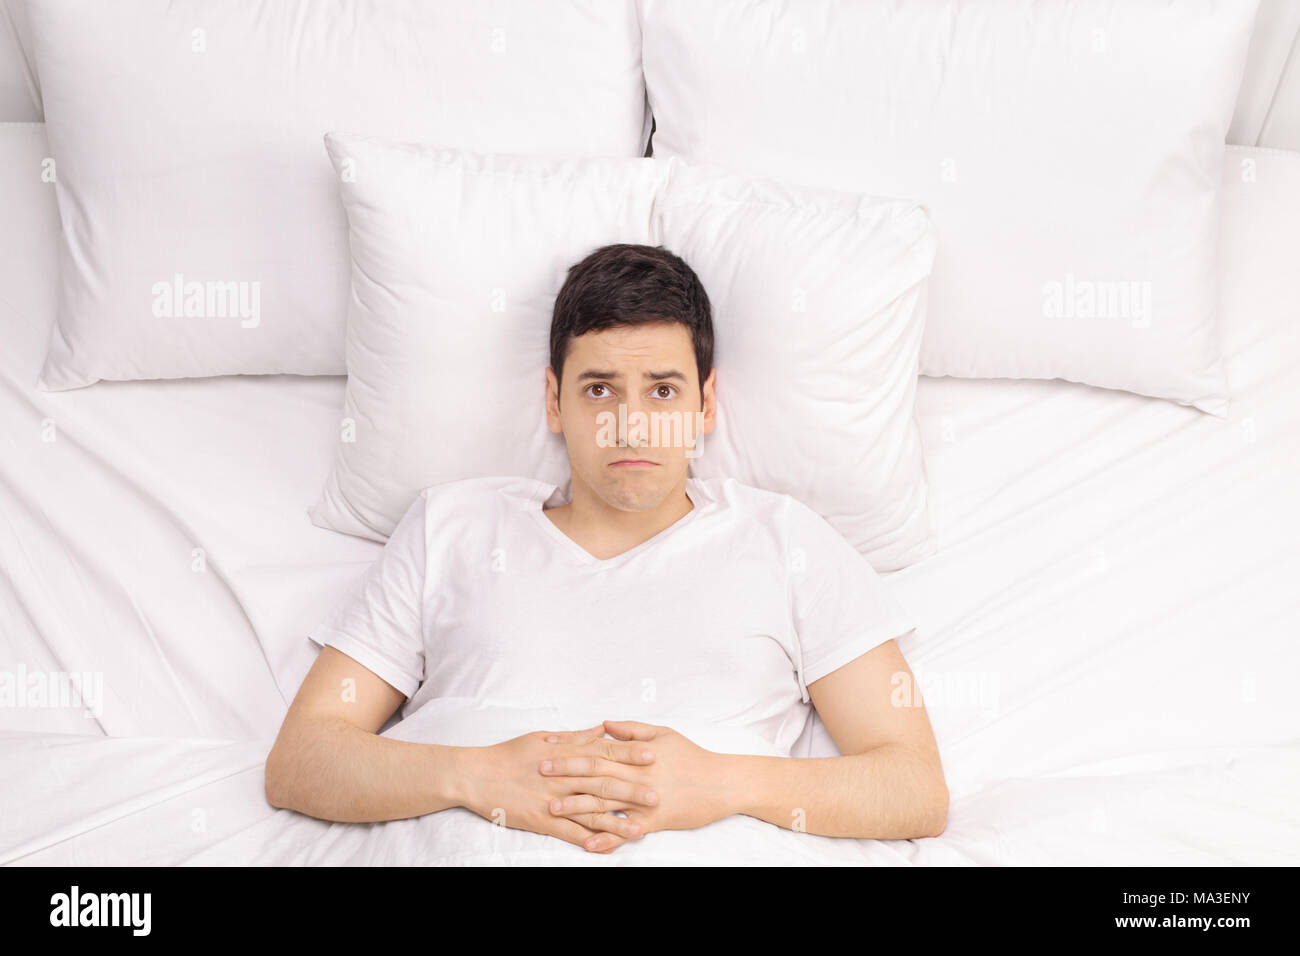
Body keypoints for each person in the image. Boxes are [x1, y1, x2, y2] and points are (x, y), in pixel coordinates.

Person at [264, 243, 947, 856]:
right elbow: (301, 760)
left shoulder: (784, 542)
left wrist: (724, 781)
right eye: (599, 390)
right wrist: (476, 773)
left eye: (662, 390)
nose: (630, 424)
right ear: (554, 402)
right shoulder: (451, 526)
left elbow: (912, 786)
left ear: (705, 406)